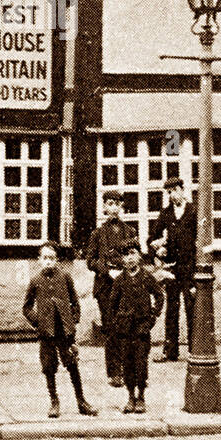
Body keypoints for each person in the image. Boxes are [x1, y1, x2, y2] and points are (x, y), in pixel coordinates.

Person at [23, 242, 98, 418]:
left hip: (65, 331)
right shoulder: (35, 281)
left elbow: (75, 302)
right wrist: (38, 322)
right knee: (49, 367)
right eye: (45, 258)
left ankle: (81, 401)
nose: (48, 261)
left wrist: (73, 320)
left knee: (72, 365)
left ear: (56, 260)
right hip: (46, 332)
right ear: (39, 260)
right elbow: (26, 307)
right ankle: (54, 402)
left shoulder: (65, 277)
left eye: (52, 258)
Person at [85, 191, 140, 387]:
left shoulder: (130, 232)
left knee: (126, 326)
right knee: (111, 328)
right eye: (110, 204)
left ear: (121, 207)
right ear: (105, 208)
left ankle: (127, 369)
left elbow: (135, 256)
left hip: (125, 285)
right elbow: (90, 261)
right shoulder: (98, 234)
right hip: (105, 287)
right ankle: (114, 372)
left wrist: (123, 267)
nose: (114, 208)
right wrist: (106, 269)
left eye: (117, 204)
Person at [109, 245, 163, 414]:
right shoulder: (119, 280)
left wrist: (153, 315)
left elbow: (159, 295)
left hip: (141, 328)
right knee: (127, 362)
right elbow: (112, 304)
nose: (130, 258)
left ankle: (141, 396)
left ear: (139, 256)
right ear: (122, 260)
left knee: (141, 363)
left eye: (133, 254)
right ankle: (130, 396)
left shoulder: (146, 276)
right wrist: (117, 321)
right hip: (125, 330)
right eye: (126, 255)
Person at [150, 177, 197, 363]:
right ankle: (170, 352)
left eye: (173, 191)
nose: (171, 196)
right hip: (172, 268)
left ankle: (196, 350)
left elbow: (200, 239)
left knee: (191, 308)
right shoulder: (166, 213)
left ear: (181, 190)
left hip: (190, 267)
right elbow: (152, 237)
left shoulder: (193, 211)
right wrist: (158, 247)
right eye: (168, 193)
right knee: (172, 309)